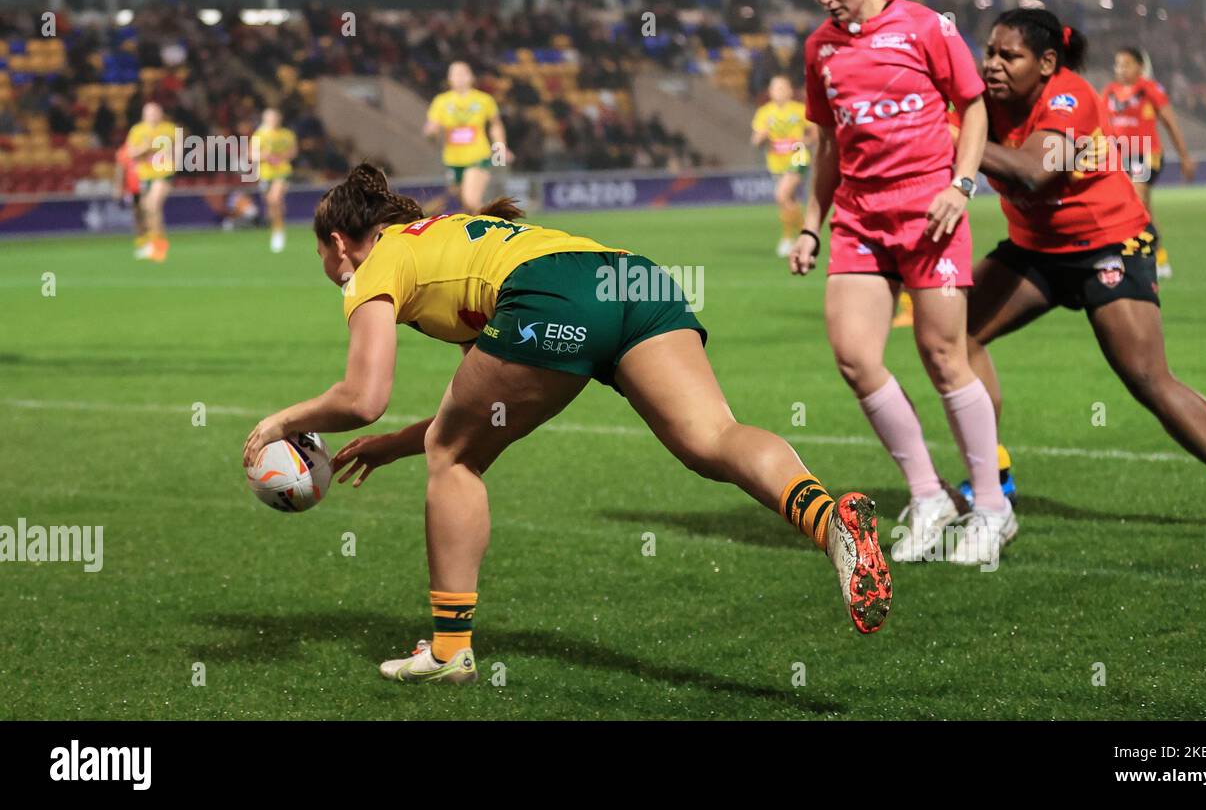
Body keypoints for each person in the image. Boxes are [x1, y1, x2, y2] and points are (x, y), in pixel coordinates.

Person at [242, 164, 892, 684]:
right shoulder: (448, 237)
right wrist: (392, 448)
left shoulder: (370, 267)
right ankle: (828, 523)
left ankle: (448, 651)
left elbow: (363, 396)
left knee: (454, 460)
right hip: (628, 277)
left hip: (552, 297)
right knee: (712, 437)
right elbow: (481, 401)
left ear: (336, 243)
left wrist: (279, 420)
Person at [962, 7, 1206, 535]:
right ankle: (993, 476)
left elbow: (1035, 171)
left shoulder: (1069, 95)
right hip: (1036, 249)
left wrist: (947, 141)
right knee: (956, 336)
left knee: (1147, 378)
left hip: (1107, 245)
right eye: (990, 52)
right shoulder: (979, 98)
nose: (993, 64)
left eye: (1008, 56)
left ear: (1045, 63)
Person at [788, 0, 1008, 566]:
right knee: (855, 357)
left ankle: (992, 508)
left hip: (930, 211)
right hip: (858, 217)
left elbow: (972, 106)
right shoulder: (820, 49)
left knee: (944, 358)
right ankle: (929, 495)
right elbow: (828, 144)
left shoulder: (924, 27)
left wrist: (961, 185)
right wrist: (809, 225)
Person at [1100, 48, 1193, 279]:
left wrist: (1184, 156)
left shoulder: (1149, 90)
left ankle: (1140, 257)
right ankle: (1157, 256)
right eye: (1118, 64)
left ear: (1140, 67)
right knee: (1142, 210)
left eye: (1126, 64)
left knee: (1138, 199)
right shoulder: (1110, 92)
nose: (1121, 69)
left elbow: (1170, 123)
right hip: (1121, 157)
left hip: (1145, 154)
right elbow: (1100, 124)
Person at [423, 62, 511, 215]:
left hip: (478, 157)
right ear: (449, 78)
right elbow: (432, 128)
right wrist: (430, 133)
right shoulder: (441, 101)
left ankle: (496, 228)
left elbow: (496, 126)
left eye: (463, 73)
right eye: (455, 74)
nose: (460, 77)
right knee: (466, 206)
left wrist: (500, 148)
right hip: (453, 160)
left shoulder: (484, 100)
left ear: (471, 77)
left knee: (471, 200)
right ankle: (485, 227)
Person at [750, 76, 812, 257]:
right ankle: (802, 237)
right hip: (776, 162)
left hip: (798, 157)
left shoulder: (800, 110)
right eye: (776, 88)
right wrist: (762, 136)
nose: (780, 92)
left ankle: (794, 238)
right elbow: (755, 141)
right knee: (788, 202)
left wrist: (805, 140)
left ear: (790, 90)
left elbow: (815, 135)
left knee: (781, 195)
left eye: (783, 88)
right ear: (770, 92)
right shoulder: (764, 113)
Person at [125, 102, 175, 262]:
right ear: (144, 115)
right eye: (150, 113)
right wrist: (144, 149)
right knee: (147, 209)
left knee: (154, 205)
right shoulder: (137, 131)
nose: (153, 115)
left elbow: (174, 150)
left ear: (161, 114)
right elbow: (131, 153)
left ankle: (159, 248)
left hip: (163, 173)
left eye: (156, 112)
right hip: (145, 175)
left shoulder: (169, 129)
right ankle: (155, 243)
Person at [251, 108, 298, 253]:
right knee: (271, 205)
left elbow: (293, 151)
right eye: (269, 118)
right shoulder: (259, 135)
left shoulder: (287, 134)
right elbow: (252, 155)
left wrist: (282, 156)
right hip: (265, 174)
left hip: (282, 172)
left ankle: (279, 232)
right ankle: (275, 227)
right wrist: (265, 156)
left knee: (274, 198)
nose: (272, 121)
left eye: (274, 118)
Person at [111, 138, 148, 257]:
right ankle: (142, 244)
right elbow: (120, 170)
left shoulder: (147, 146)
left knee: (147, 214)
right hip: (132, 188)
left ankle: (153, 242)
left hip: (146, 187)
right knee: (137, 215)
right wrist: (118, 188)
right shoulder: (124, 151)